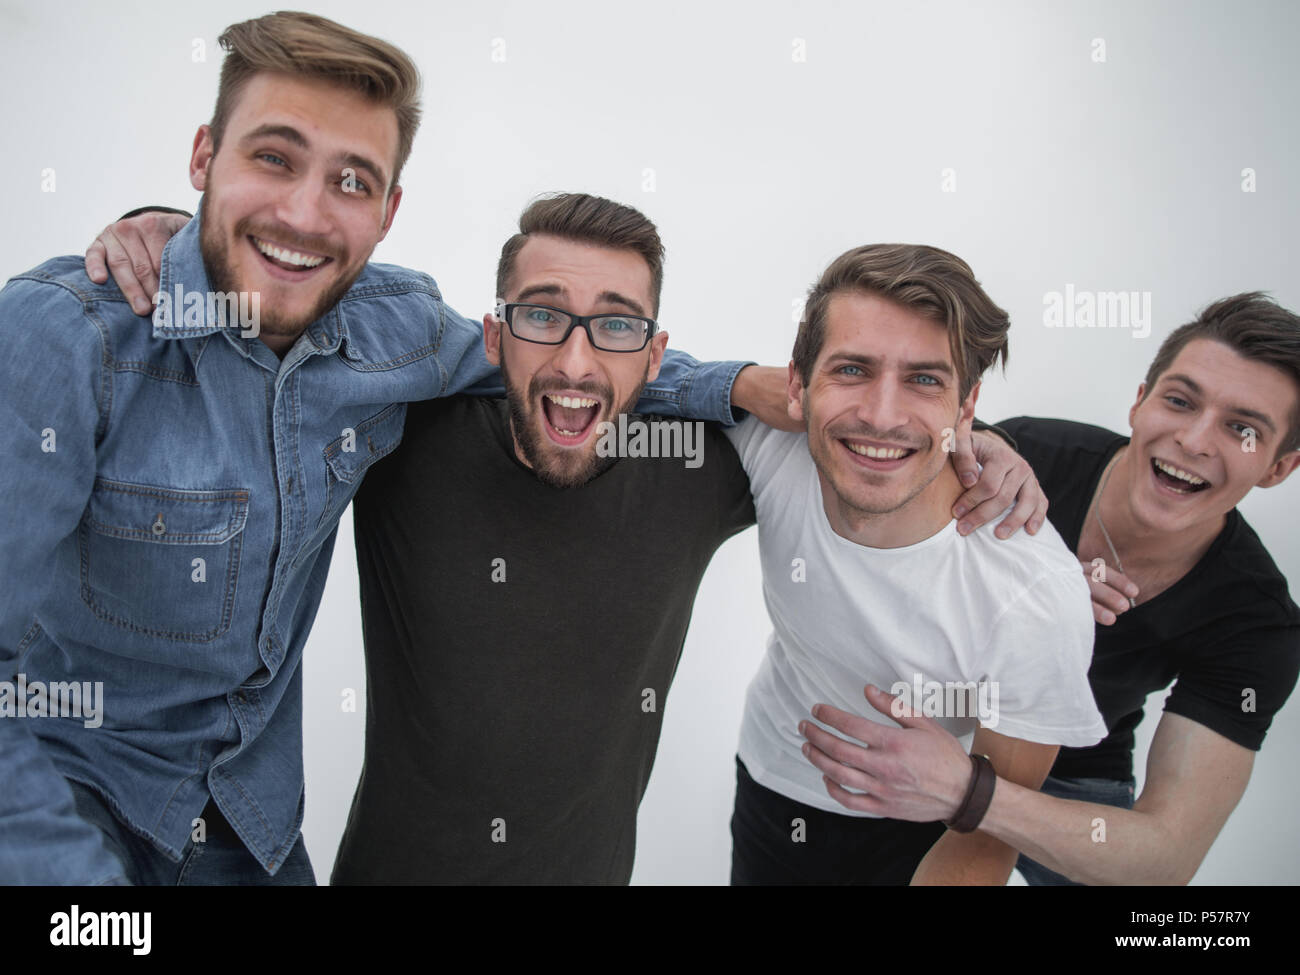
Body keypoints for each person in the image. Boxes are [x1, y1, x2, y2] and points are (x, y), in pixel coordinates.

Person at [0, 13, 747, 886]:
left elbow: (561, 359)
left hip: (248, 827)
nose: (305, 213)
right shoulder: (67, 338)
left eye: (351, 181)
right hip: (73, 800)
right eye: (272, 158)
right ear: (203, 158)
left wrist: (751, 386)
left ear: (389, 211)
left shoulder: (395, 337)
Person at [800, 292, 1300, 885]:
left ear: (1278, 467)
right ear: (1139, 403)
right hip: (929, 713)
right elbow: (851, 427)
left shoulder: (1257, 623)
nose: (1194, 440)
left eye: (1241, 428)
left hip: (1075, 774)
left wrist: (972, 793)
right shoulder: (1024, 453)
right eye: (1179, 401)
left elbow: (1167, 856)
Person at [726, 243, 1109, 885]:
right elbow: (629, 370)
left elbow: (990, 840)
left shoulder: (1034, 594)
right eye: (851, 369)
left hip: (934, 818)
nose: (881, 415)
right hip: (772, 778)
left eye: (924, 380)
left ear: (967, 407)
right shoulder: (772, 446)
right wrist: (738, 381)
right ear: (794, 383)